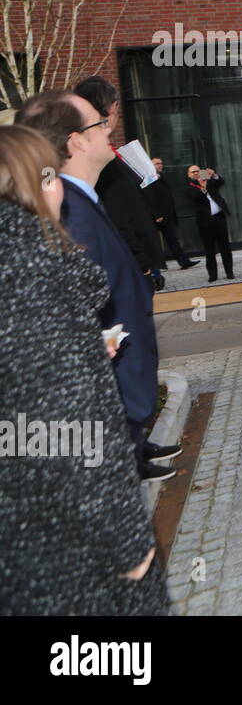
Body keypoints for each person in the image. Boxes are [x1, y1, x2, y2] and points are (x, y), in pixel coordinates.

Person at [0, 125, 170, 615]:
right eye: (48, 175)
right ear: (31, 189)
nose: (58, 186)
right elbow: (71, 436)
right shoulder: (35, 287)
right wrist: (128, 545)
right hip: (65, 555)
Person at [15, 92, 179, 482]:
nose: (110, 129)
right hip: (109, 403)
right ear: (76, 141)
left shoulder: (81, 202)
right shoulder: (67, 214)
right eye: (99, 124)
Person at [72, 76, 166, 291]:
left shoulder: (94, 154)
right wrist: (143, 266)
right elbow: (116, 215)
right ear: (113, 108)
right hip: (127, 266)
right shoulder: (100, 158)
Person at [144, 157, 198, 269]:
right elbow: (150, 197)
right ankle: (159, 264)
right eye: (157, 164)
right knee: (157, 241)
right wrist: (157, 215)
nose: (160, 165)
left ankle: (183, 261)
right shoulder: (149, 177)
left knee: (172, 239)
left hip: (166, 214)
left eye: (161, 163)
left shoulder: (160, 176)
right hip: (159, 216)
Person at [185, 164, 234, 282]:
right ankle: (213, 275)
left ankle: (229, 273)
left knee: (225, 247)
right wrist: (203, 187)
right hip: (205, 223)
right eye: (193, 172)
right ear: (189, 175)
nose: (196, 173)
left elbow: (220, 182)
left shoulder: (209, 181)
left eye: (197, 171)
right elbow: (196, 198)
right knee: (209, 249)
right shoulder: (189, 187)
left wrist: (214, 175)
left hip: (219, 218)